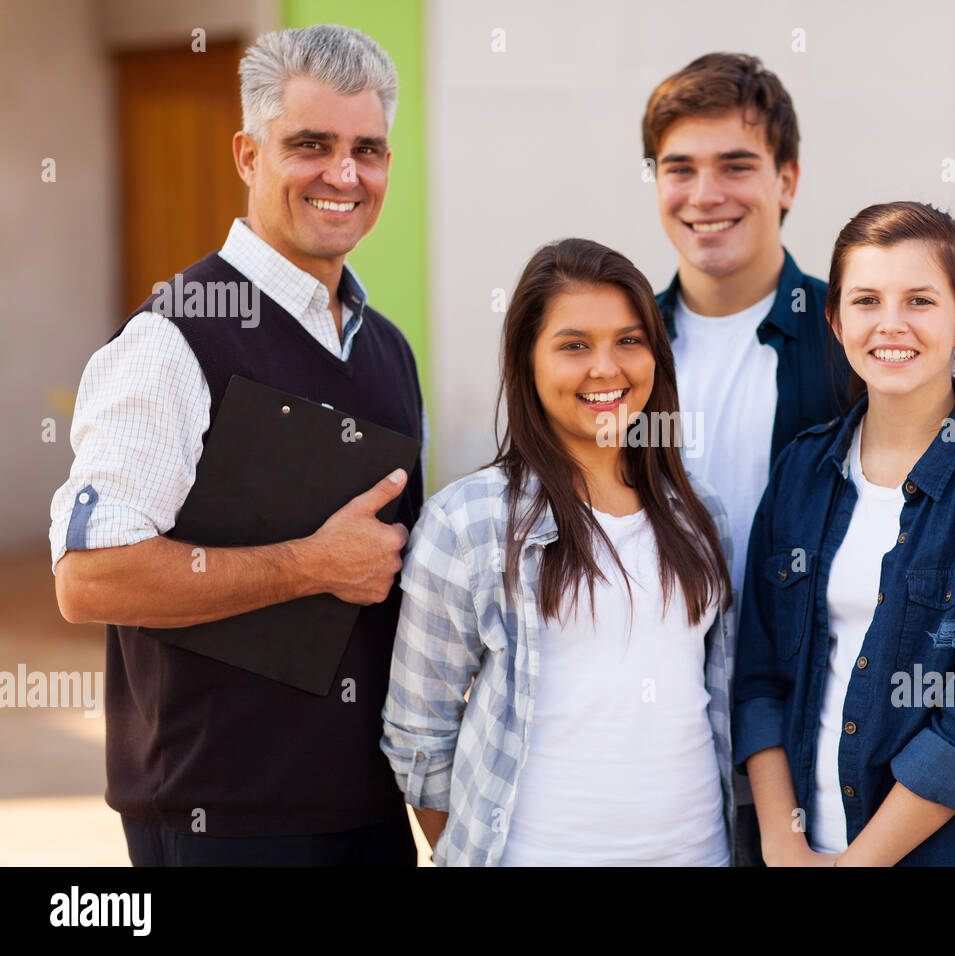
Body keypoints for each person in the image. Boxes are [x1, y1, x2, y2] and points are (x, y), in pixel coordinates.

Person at [48, 25, 425, 866]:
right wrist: (311, 565)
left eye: (368, 149)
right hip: (220, 821)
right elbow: (89, 577)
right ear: (248, 156)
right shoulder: (173, 339)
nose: (344, 174)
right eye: (310, 145)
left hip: (365, 806)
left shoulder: (387, 348)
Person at [734, 201, 955, 865]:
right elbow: (760, 680)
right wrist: (782, 844)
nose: (892, 325)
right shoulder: (801, 471)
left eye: (920, 300)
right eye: (866, 300)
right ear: (834, 320)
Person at [382, 238, 736, 866]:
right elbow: (420, 733)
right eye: (574, 345)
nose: (607, 368)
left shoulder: (701, 516)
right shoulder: (468, 522)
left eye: (629, 341)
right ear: (529, 361)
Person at [642, 51, 859, 864]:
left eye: (737, 165)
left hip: (811, 750)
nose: (706, 195)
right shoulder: (623, 355)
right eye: (679, 168)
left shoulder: (851, 345)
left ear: (788, 180)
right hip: (658, 753)